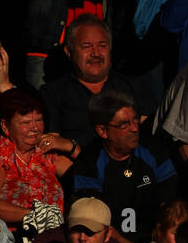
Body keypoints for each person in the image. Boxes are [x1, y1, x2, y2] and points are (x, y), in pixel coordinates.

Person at [70, 90, 178, 243]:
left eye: (135, 121)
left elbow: (170, 207)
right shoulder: (88, 163)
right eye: (124, 125)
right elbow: (93, 221)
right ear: (102, 130)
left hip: (155, 239)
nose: (134, 128)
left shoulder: (153, 150)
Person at [0, 88, 71, 229]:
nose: (35, 128)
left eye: (39, 120)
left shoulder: (46, 151)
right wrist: (35, 216)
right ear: (5, 127)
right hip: (12, 237)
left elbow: (89, 175)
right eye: (26, 123)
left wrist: (70, 146)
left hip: (54, 236)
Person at [40, 16, 137, 152]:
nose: (96, 53)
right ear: (69, 52)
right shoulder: (52, 93)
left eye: (102, 46)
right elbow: (51, 147)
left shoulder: (130, 86)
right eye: (87, 47)